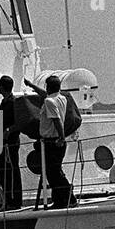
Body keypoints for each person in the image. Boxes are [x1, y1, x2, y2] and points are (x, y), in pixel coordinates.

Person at [37, 75, 73, 208]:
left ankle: (69, 197)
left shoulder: (49, 102)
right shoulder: (62, 98)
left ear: (48, 87)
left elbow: (56, 120)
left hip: (52, 141)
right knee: (55, 171)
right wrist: (31, 85)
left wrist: (61, 137)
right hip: (57, 141)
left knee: (53, 173)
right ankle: (59, 200)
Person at [0, 76, 23, 210]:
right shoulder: (5, 102)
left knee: (11, 172)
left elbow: (19, 122)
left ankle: (14, 201)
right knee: (1, 172)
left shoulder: (12, 102)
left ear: (3, 87)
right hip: (1, 142)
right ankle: (6, 199)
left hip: (8, 143)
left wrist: (9, 131)